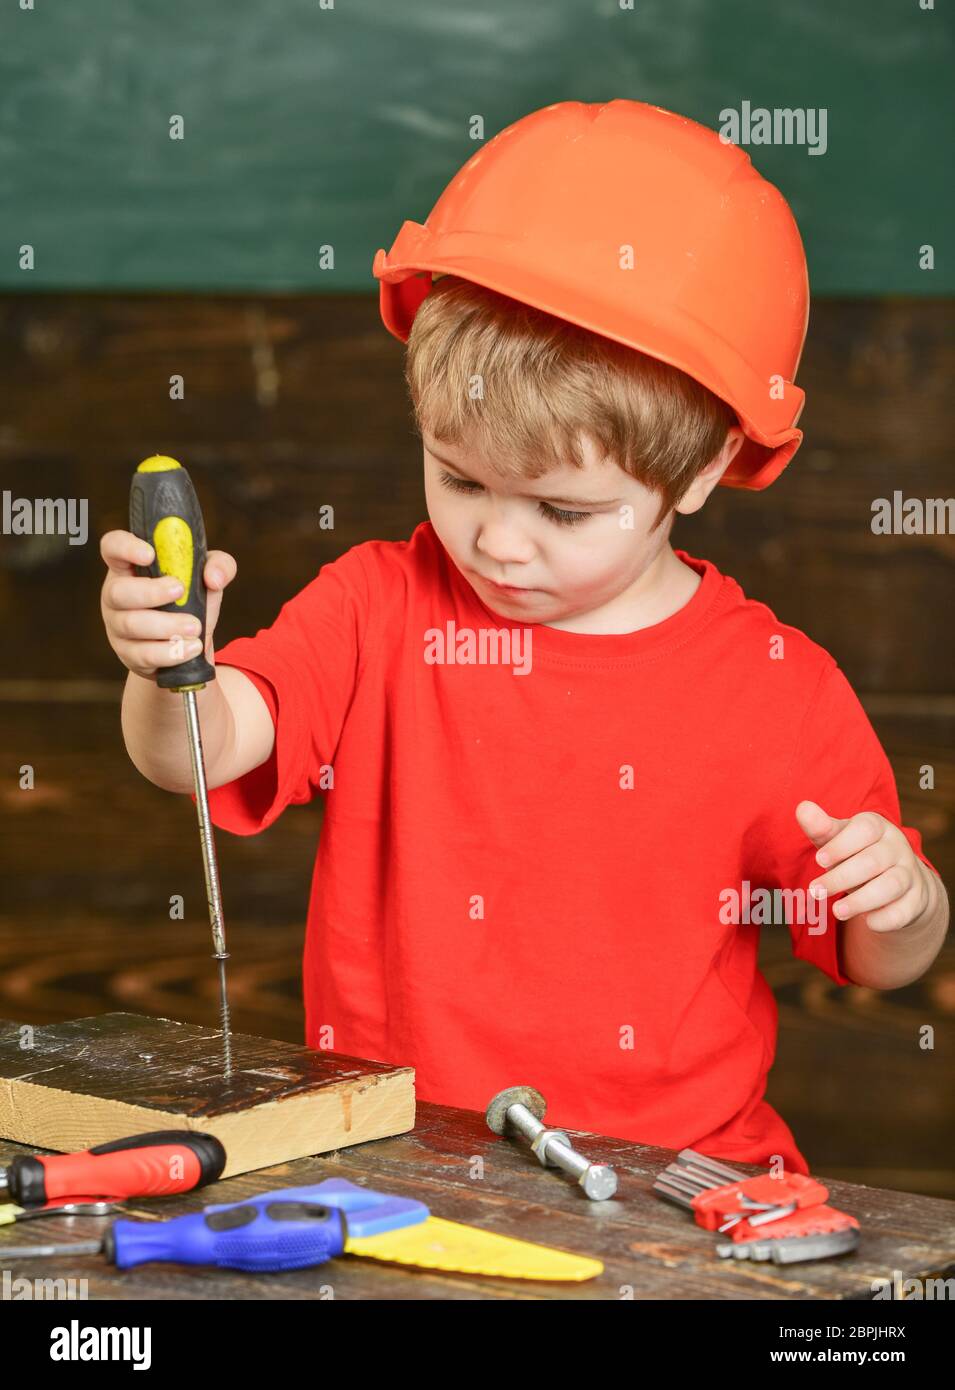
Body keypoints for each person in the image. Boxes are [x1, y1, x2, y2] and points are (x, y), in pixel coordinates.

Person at [100, 100, 948, 1174]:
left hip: (679, 1192)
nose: (496, 541)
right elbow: (194, 748)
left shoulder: (776, 687)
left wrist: (907, 901)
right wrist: (164, 666)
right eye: (459, 480)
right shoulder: (375, 607)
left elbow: (881, 962)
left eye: (562, 511)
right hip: (390, 1173)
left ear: (697, 472)